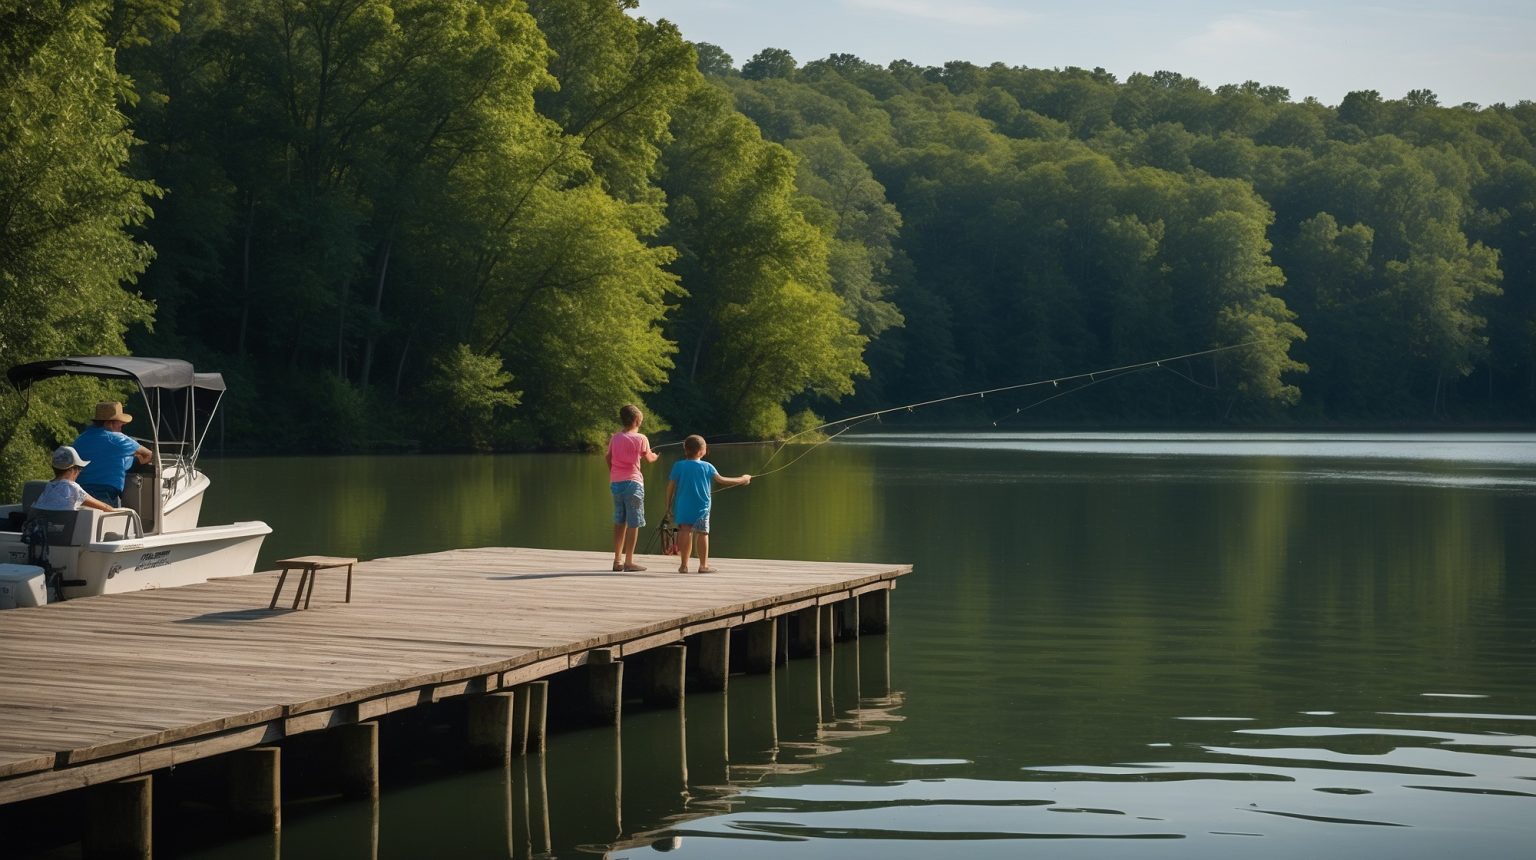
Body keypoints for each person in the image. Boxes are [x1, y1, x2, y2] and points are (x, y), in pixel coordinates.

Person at [664, 435, 750, 574]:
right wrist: (743, 479)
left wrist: (668, 506)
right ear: (701, 451)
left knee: (685, 531)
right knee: (703, 533)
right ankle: (703, 566)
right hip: (702, 507)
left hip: (683, 506)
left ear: (685, 450)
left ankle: (684, 566)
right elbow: (722, 480)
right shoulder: (707, 466)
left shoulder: (678, 466)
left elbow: (670, 488)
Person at [607, 404, 659, 572]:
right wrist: (655, 456)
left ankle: (617, 560)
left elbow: (608, 457)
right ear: (637, 420)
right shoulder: (641, 438)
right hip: (634, 485)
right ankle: (629, 561)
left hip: (616, 484)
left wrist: (614, 473)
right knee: (634, 521)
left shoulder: (615, 438)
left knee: (619, 521)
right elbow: (649, 458)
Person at [72, 401, 152, 507]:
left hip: (78, 496)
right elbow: (148, 455)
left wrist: (124, 461)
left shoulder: (79, 440)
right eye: (120, 423)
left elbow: (101, 457)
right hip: (104, 496)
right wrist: (133, 461)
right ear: (108, 423)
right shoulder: (118, 439)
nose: (122, 426)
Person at [31, 446, 121, 513]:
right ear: (71, 469)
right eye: (79, 468)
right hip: (65, 532)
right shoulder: (72, 488)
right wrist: (119, 511)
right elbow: (104, 507)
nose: (79, 472)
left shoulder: (48, 487)